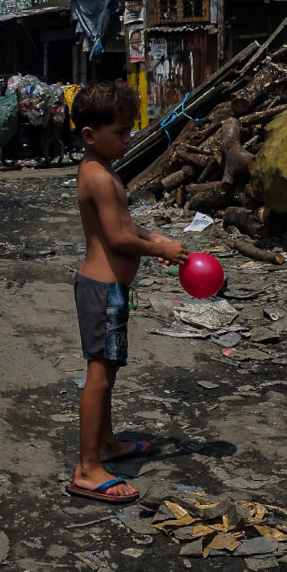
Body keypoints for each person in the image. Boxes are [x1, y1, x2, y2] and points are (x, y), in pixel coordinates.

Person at [65, 82, 189, 504]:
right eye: (119, 132)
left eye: (129, 130)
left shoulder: (103, 170)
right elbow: (117, 239)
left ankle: (106, 445)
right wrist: (158, 249)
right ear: (89, 135)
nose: (128, 137)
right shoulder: (97, 176)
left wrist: (154, 237)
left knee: (109, 370)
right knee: (98, 378)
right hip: (102, 291)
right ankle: (86, 468)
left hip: (109, 290)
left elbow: (123, 225)